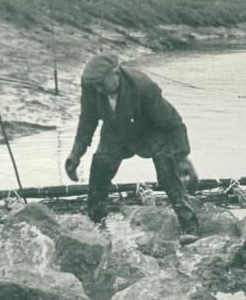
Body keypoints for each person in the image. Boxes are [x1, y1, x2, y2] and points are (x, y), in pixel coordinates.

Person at [64, 53, 200, 234]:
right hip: (114, 130)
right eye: (95, 85)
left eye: (101, 84)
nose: (98, 89)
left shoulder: (143, 86)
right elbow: (87, 119)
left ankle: (189, 226)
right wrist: (75, 154)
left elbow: (171, 121)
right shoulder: (91, 84)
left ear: (116, 74)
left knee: (168, 171)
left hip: (150, 130)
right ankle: (97, 224)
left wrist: (182, 156)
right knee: (99, 170)